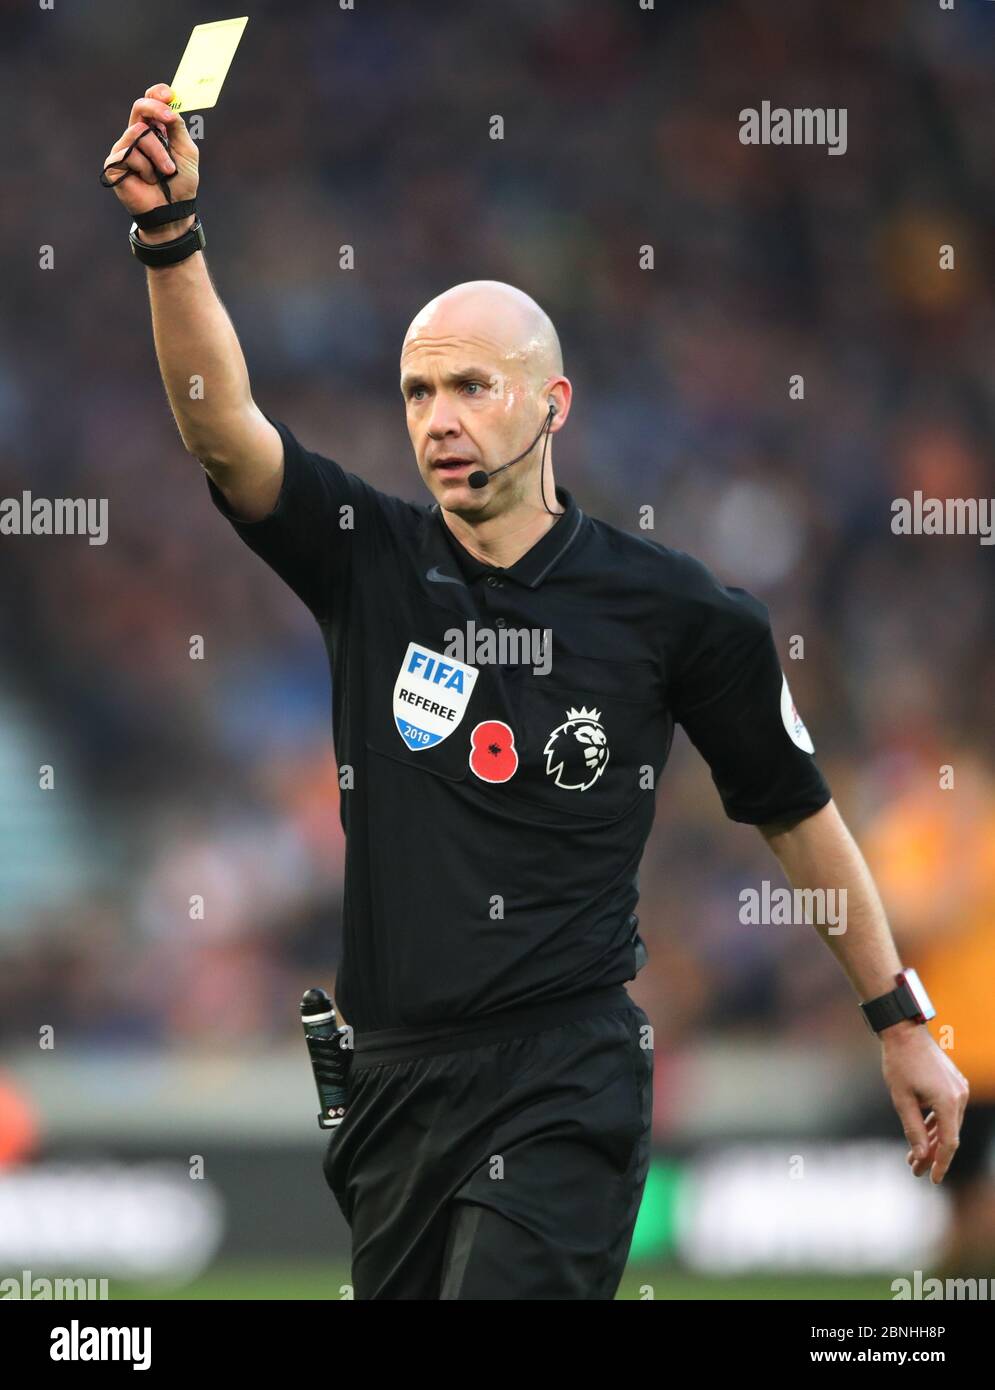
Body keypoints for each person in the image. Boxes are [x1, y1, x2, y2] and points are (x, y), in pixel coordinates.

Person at [101, 85, 970, 1300]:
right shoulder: (369, 559)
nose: (439, 423)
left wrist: (899, 1022)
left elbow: (796, 811)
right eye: (417, 394)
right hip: (393, 1084)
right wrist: (169, 238)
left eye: (471, 388)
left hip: (562, 1078)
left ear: (550, 404)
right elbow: (222, 432)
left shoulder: (680, 612)